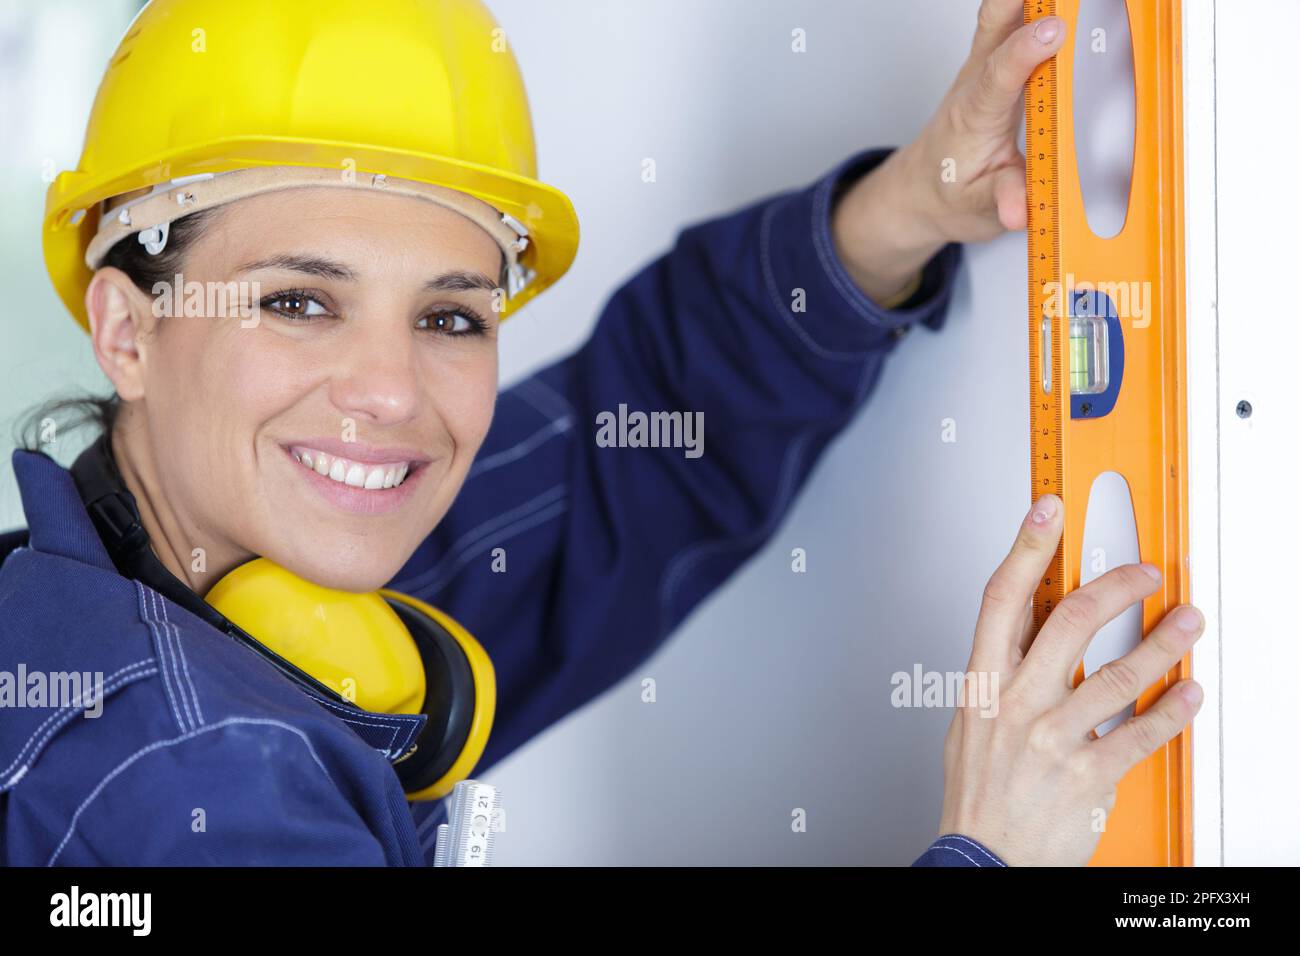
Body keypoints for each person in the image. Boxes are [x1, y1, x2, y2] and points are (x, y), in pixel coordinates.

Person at [0, 0, 1202, 866]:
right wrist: (989, 851)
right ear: (128, 329)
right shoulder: (189, 791)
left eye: (450, 316)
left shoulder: (218, 588)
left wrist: (906, 208)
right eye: (299, 302)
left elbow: (613, 467)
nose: (389, 391)